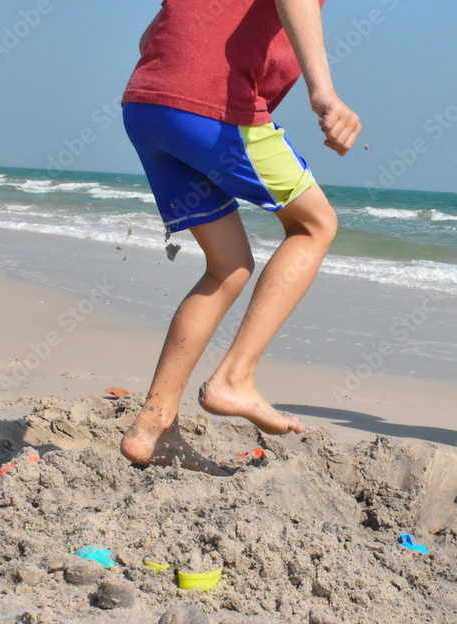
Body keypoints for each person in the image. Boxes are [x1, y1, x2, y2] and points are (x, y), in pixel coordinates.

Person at [119, 0, 361, 475]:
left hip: (147, 105)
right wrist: (323, 93)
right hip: (210, 105)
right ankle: (235, 377)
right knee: (315, 224)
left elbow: (150, 38)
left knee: (228, 265)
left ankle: (152, 426)